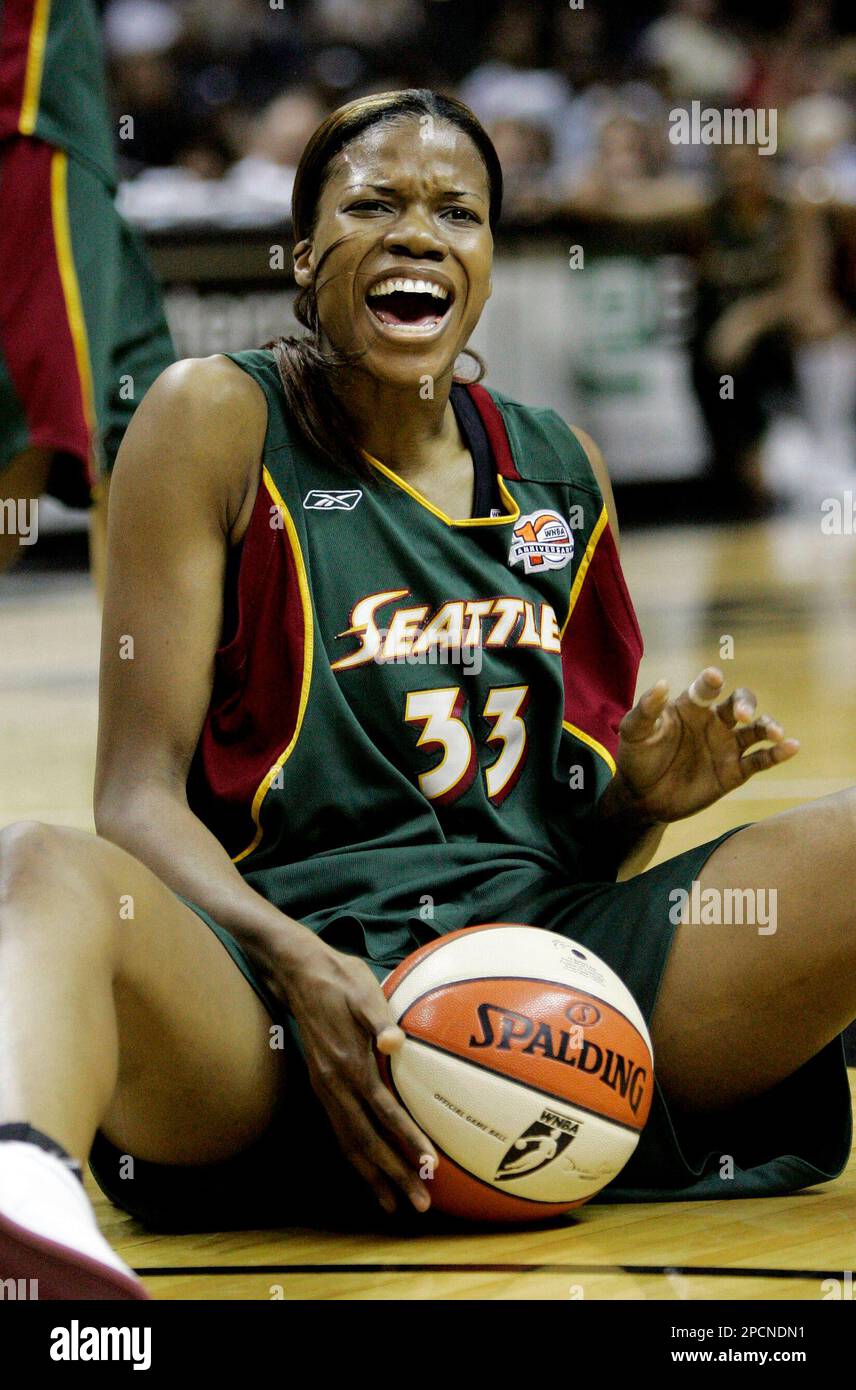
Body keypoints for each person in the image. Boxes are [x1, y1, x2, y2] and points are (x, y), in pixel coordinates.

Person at [0, 90, 852, 1303]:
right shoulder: (215, 419)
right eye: (371, 204)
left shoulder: (558, 465)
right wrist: (299, 964)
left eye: (457, 210)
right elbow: (134, 797)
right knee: (37, 861)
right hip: (270, 1010)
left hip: (539, 989)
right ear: (303, 257)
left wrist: (636, 803)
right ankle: (25, 1209)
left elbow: (578, 848)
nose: (417, 233)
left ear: (489, 265)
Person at [0, 0, 174, 582]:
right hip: (28, 119)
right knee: (38, 429)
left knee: (144, 439)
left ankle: (150, 670)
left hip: (72, 134)